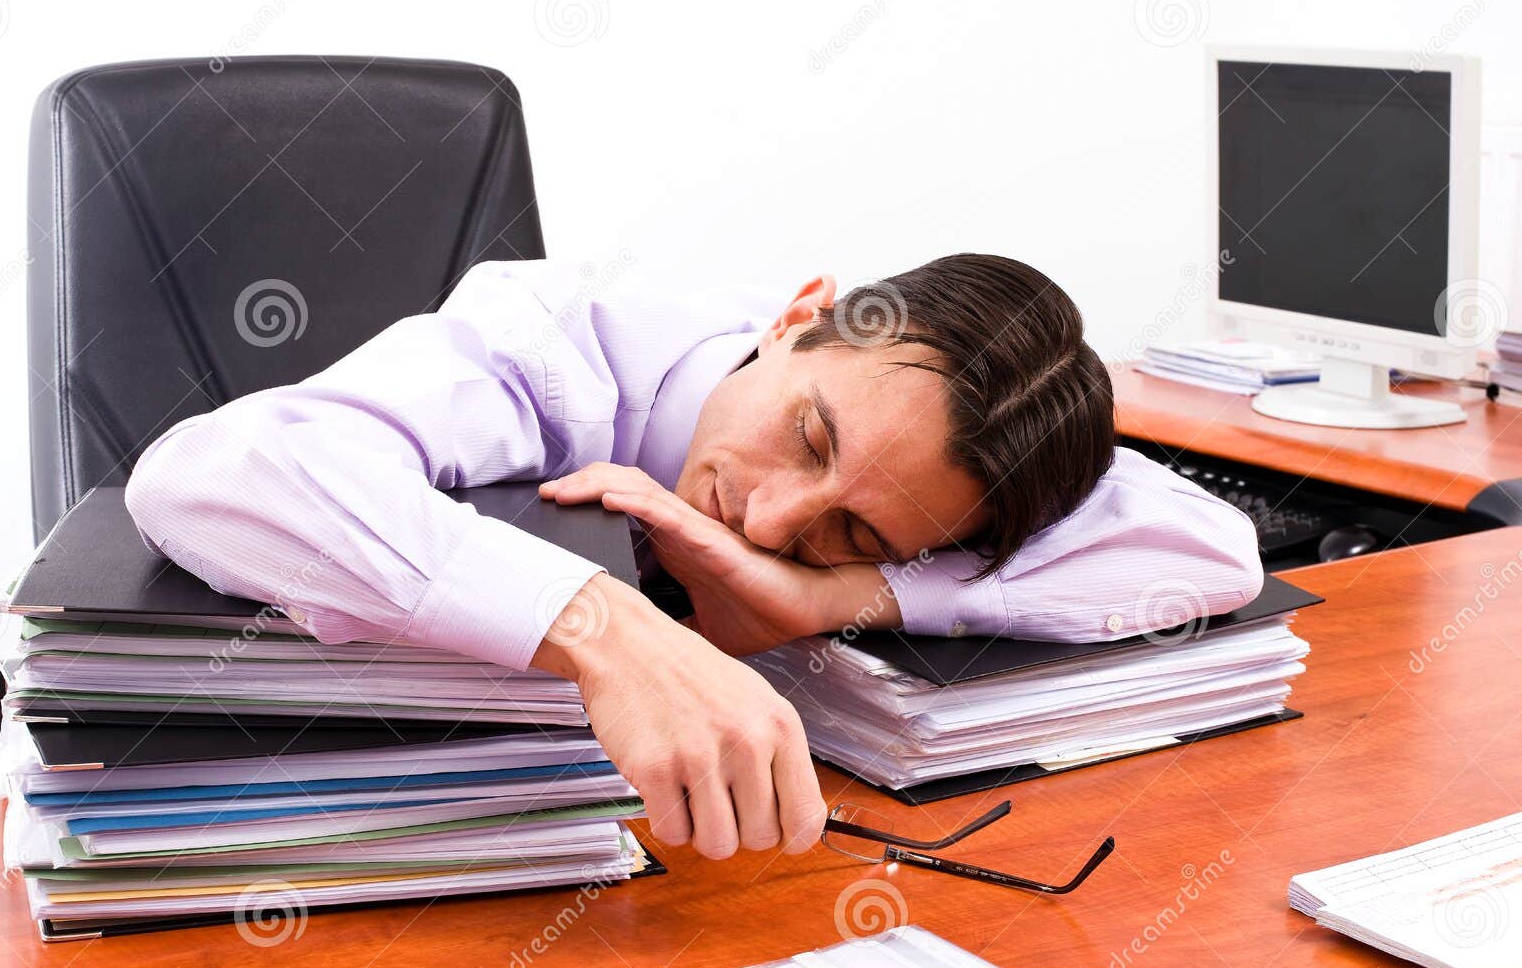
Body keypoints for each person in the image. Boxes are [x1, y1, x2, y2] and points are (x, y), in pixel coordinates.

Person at [125, 253, 1262, 862]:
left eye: (855, 523)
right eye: (809, 438)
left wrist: (839, 591)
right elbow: (206, 471)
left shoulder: (941, 450)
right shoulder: (550, 343)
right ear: (801, 312)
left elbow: (1212, 547)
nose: (767, 519)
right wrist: (605, 626)